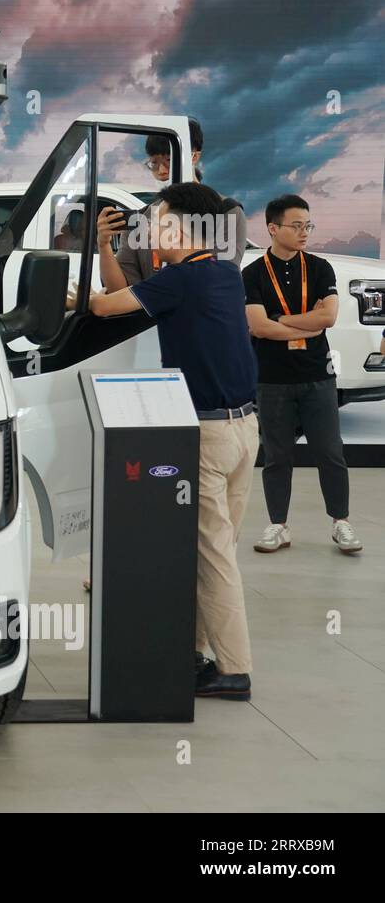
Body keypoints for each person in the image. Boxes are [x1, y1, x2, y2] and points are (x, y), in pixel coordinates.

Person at [87, 182, 260, 701]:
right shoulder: (223, 274)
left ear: (182, 227)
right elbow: (128, 300)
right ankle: (198, 655)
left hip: (206, 433)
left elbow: (105, 308)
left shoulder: (181, 280)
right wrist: (104, 253)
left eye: (158, 222)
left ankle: (234, 671)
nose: (151, 231)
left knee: (212, 555)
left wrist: (81, 296)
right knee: (214, 551)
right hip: (244, 429)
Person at [243, 194, 360, 555]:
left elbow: (328, 318)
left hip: (318, 375)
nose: (304, 232)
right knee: (277, 455)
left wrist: (282, 320)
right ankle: (278, 525)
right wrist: (303, 324)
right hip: (272, 378)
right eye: (296, 226)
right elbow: (258, 327)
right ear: (273, 229)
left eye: (307, 225)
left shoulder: (321, 267)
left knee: (330, 451)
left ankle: (341, 521)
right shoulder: (253, 273)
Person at [95, 119, 248, 291]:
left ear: (194, 157)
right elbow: (119, 289)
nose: (161, 171)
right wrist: (104, 244)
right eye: (154, 163)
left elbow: (216, 283)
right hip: (147, 316)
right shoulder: (141, 217)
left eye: (168, 160)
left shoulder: (226, 212)